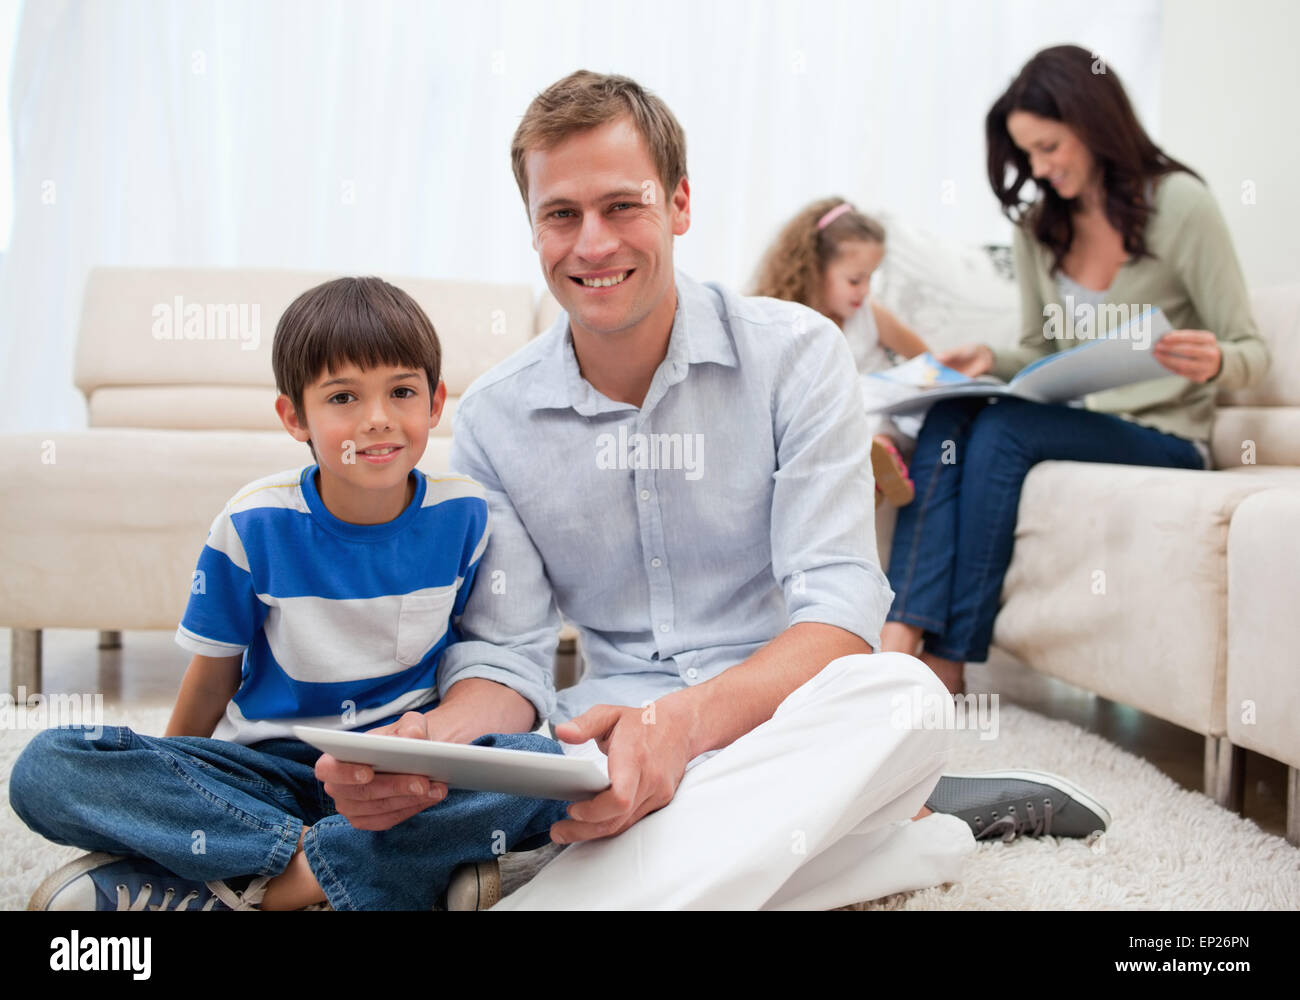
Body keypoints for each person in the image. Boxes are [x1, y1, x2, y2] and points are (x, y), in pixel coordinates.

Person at [317, 70, 1113, 910]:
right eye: (561, 214)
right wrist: (430, 746)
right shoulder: (493, 420)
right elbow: (511, 655)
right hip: (605, 742)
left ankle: (591, 880)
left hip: (784, 715)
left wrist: (683, 728)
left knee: (907, 696)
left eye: (623, 206)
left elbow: (838, 611)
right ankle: (893, 839)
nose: (592, 244)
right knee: (545, 787)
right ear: (533, 226)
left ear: (680, 205)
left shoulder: (798, 355)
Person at [11, 276, 570, 910]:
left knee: (543, 765)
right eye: (343, 397)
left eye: (402, 391)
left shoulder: (466, 515)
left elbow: (475, 654)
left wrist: (433, 755)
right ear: (294, 417)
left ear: (436, 403)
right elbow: (211, 677)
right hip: (270, 775)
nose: (378, 418)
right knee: (46, 767)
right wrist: (174, 779)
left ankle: (255, 886)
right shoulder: (253, 525)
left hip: (402, 775)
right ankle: (349, 869)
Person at [879, 45, 1271, 695]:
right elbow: (1041, 351)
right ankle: (899, 638)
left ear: (1094, 124)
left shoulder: (1180, 205)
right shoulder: (1039, 228)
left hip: (1166, 438)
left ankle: (949, 662)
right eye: (1027, 153)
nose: (1039, 167)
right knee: (951, 411)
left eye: (1050, 146)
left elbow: (1252, 351)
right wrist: (990, 359)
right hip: (1080, 420)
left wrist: (1218, 360)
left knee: (1004, 432)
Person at [752, 197, 929, 507]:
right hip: (825, 417)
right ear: (815, 269)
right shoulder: (786, 321)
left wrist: (938, 373)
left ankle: (880, 457)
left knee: (882, 422)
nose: (864, 291)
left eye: (870, 278)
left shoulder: (871, 316)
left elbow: (923, 357)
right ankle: (865, 467)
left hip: (875, 406)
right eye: (855, 280)